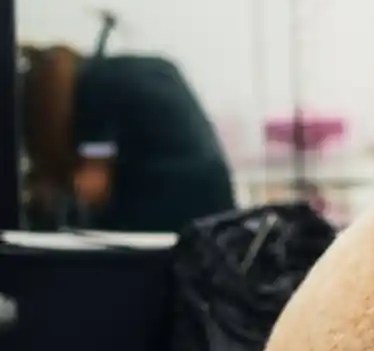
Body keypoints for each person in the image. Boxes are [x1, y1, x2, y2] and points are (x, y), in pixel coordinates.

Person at [20, 44, 236, 233]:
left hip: (165, 209)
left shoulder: (92, 87)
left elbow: (93, 184)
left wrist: (45, 193)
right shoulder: (144, 69)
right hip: (216, 207)